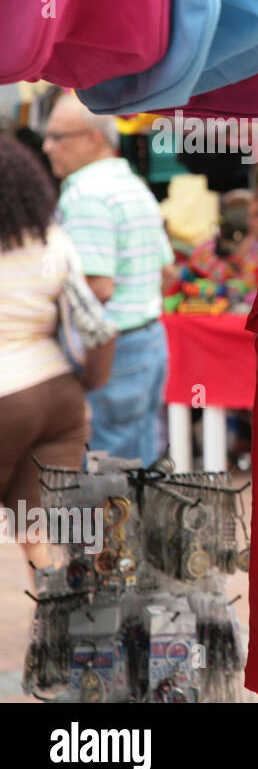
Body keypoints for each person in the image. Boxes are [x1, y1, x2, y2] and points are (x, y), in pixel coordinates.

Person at [0, 136, 114, 580]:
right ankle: (66, 615)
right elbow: (97, 325)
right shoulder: (53, 240)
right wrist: (88, 383)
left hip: (7, 398)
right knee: (37, 527)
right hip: (58, 400)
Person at [43, 94, 172, 465]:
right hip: (148, 340)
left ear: (92, 139)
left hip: (114, 351)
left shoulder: (87, 193)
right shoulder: (132, 184)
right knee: (140, 464)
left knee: (105, 469)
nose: (47, 147)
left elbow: (97, 287)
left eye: (57, 136)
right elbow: (166, 273)